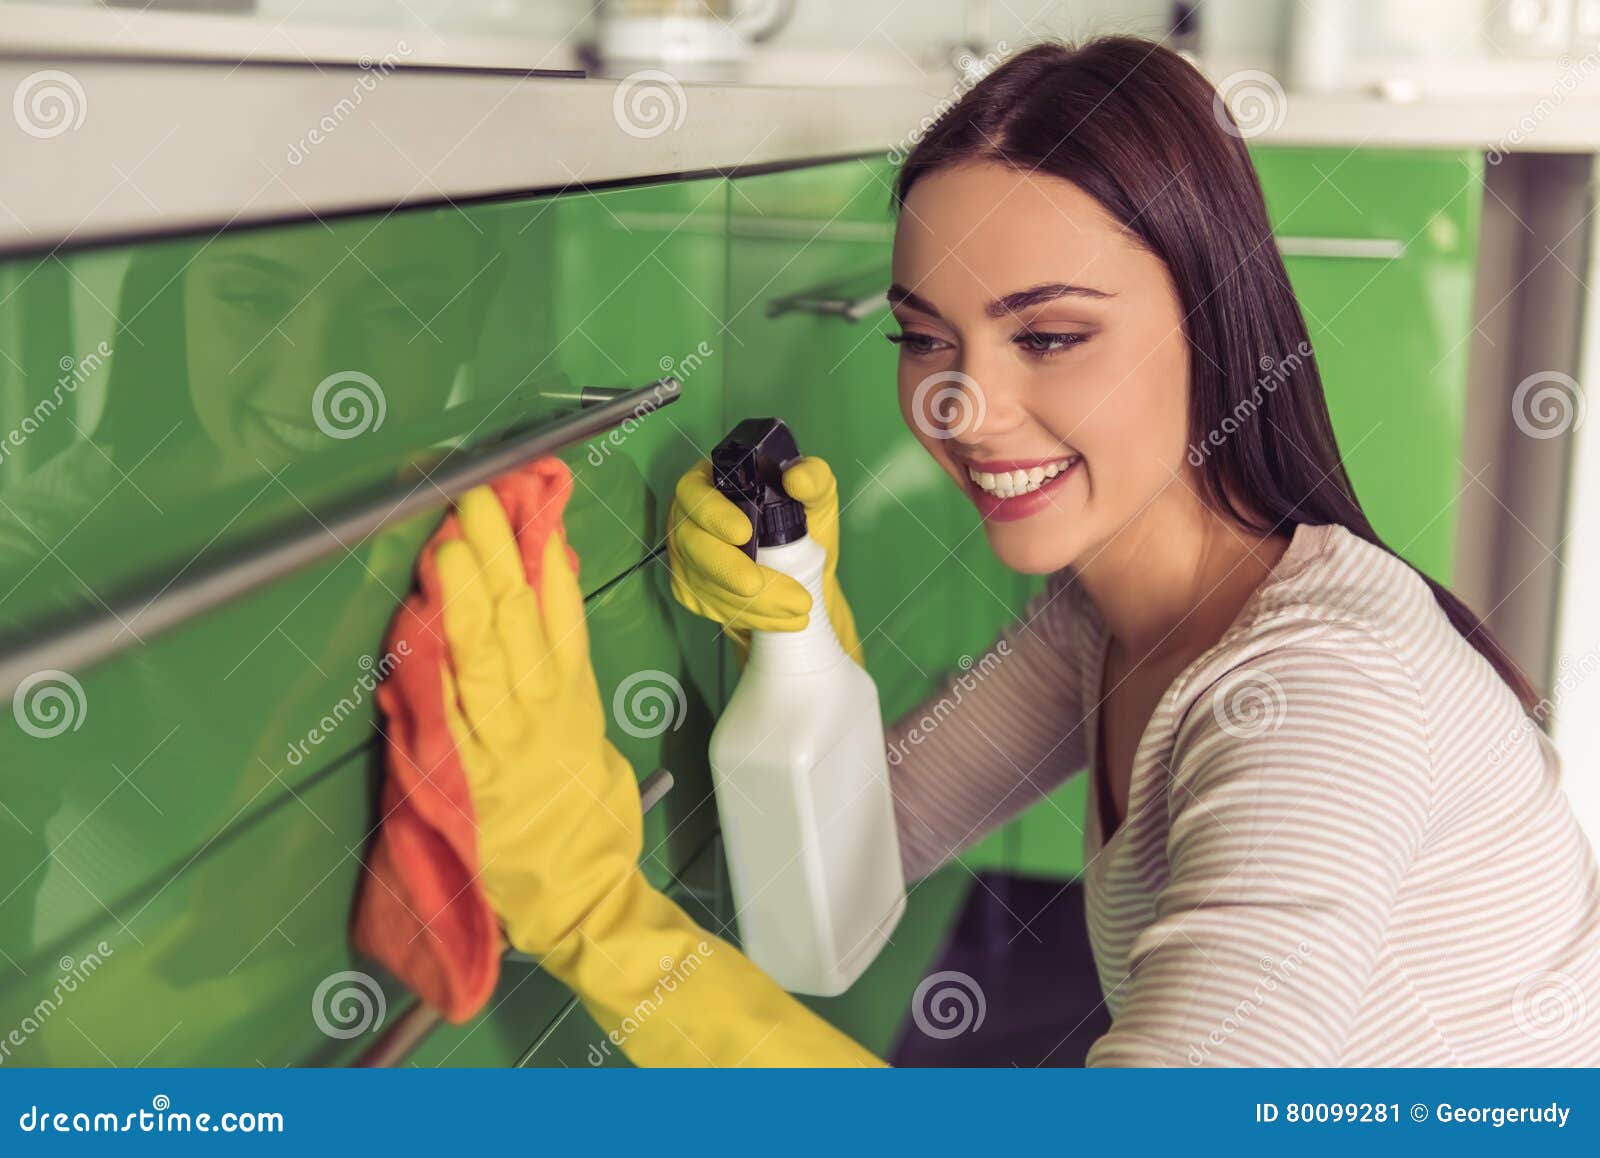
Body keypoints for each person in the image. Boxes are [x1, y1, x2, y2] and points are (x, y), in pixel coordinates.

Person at [422, 36, 1600, 1066]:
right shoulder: (1112, 615)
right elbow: (833, 900)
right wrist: (793, 639)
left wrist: (596, 921)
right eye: (925, 337)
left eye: (1048, 335)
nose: (960, 408)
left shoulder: (1322, 705)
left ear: (1213, 315)